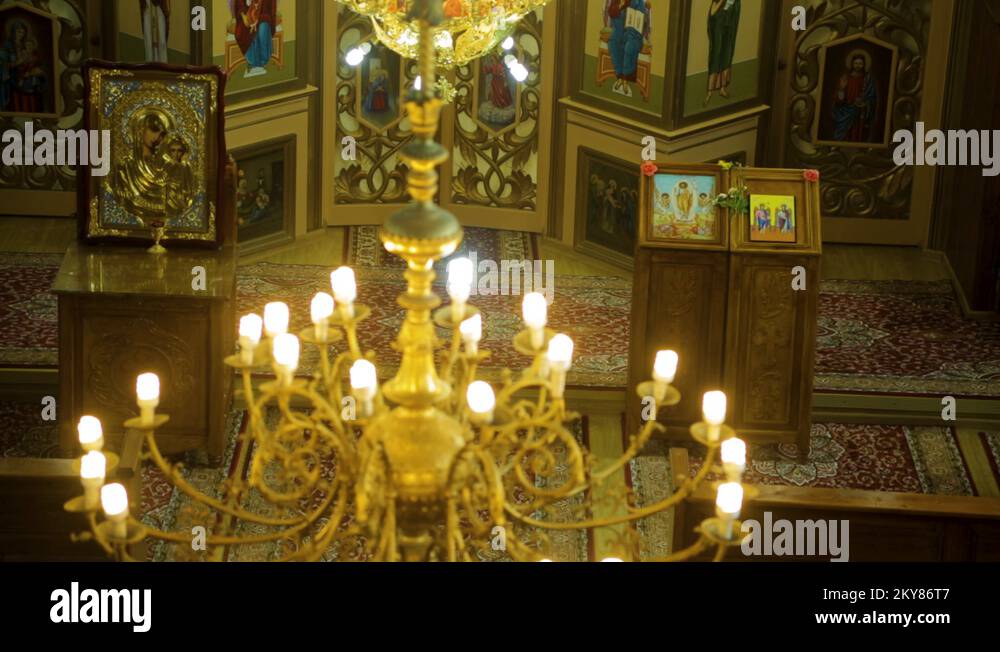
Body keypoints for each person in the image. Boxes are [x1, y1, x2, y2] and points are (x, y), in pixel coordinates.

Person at [113, 109, 174, 220]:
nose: (158, 137)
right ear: (140, 131)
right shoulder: (125, 166)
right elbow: (122, 198)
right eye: (154, 130)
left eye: (162, 133)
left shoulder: (167, 164)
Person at [605, 0, 650, 98]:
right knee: (613, 43)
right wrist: (620, 5)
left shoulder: (638, 3)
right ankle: (620, 76)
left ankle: (626, 77)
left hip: (634, 34)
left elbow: (642, 22)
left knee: (630, 47)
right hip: (619, 32)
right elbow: (611, 13)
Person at [831, 51, 878, 142]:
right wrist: (841, 88)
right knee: (844, 136)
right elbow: (839, 100)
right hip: (845, 111)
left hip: (860, 112)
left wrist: (865, 103)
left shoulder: (867, 79)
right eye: (856, 63)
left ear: (864, 64)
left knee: (857, 135)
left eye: (860, 63)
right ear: (852, 64)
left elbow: (872, 97)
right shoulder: (846, 78)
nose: (858, 65)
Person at [705, 0, 741, 105]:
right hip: (718, 23)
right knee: (716, 54)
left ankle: (722, 88)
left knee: (727, 54)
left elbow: (736, 8)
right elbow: (713, 12)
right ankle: (710, 91)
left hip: (729, 23)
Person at [233, 0, 276, 78]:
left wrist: (257, 20)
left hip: (264, 15)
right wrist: (244, 16)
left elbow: (269, 7)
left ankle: (262, 61)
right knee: (247, 32)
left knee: (263, 29)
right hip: (247, 15)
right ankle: (254, 63)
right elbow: (239, 5)